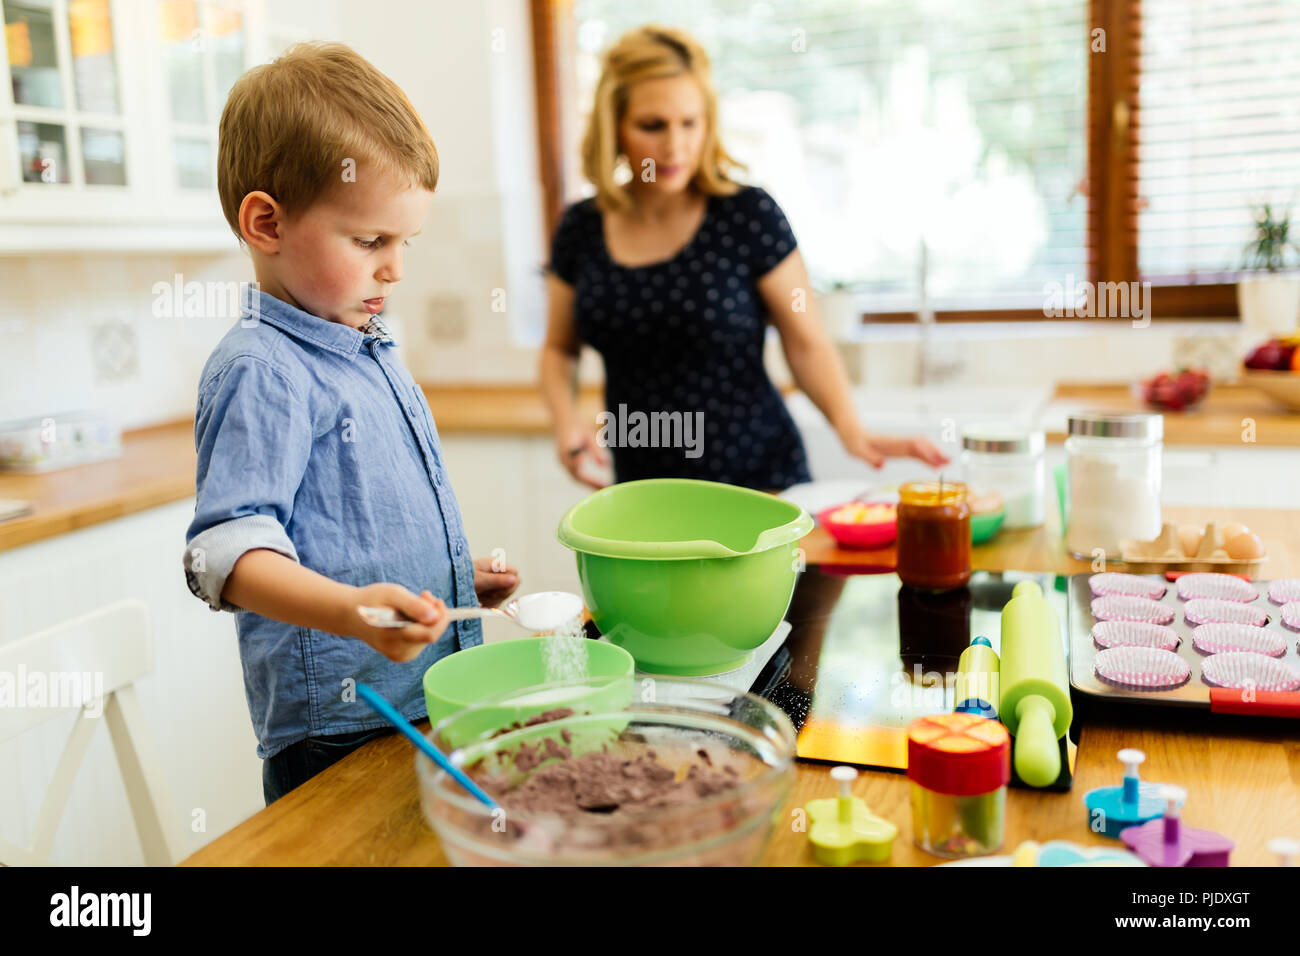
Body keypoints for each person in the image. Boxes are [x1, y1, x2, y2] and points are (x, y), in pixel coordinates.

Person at [182, 42, 518, 806]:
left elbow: (358, 522)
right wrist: (353, 614)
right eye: (370, 242)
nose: (394, 268)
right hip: (339, 726)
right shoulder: (262, 368)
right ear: (266, 223)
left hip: (419, 701)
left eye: (405, 243)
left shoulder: (368, 348)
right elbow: (226, 555)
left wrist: (454, 580)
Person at [539, 26, 948, 492]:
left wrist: (851, 430)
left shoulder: (748, 215)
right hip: (645, 492)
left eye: (690, 123)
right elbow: (558, 348)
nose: (675, 146)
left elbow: (806, 340)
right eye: (652, 125)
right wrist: (566, 422)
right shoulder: (581, 229)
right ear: (614, 127)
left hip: (760, 482)